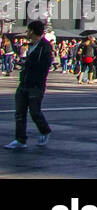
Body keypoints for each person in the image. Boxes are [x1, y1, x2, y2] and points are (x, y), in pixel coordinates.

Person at [6, 20, 54, 150]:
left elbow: (44, 66)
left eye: (28, 30)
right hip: (24, 83)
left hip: (36, 85)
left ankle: (45, 131)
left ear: (32, 31)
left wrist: (29, 66)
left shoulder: (44, 47)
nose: (27, 33)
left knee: (34, 111)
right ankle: (20, 140)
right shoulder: (31, 45)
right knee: (19, 112)